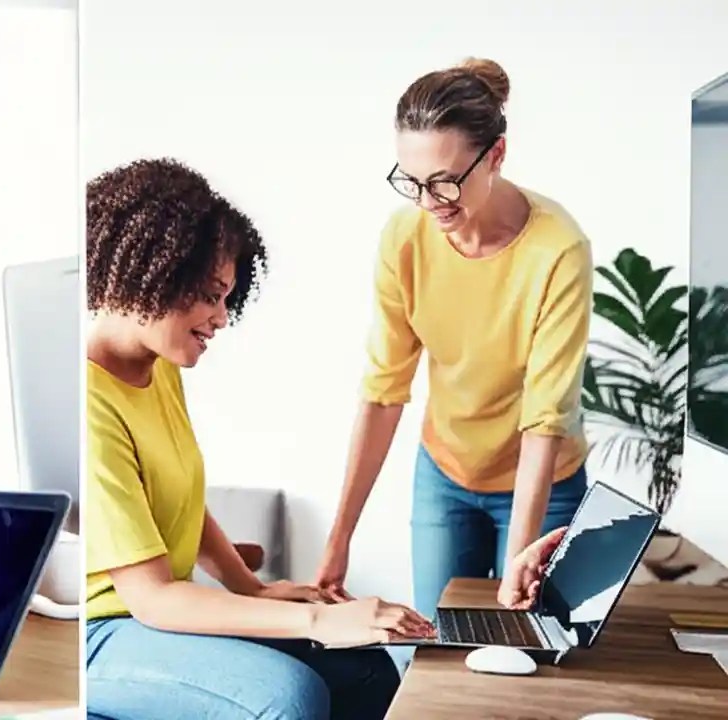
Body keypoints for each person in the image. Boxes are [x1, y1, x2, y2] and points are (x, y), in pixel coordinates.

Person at [84, 158, 431, 720]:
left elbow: (180, 505)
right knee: (288, 696)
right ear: (151, 274)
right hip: (103, 631)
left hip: (151, 619)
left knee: (365, 666)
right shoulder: (91, 404)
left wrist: (251, 587)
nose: (222, 317)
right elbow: (152, 599)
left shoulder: (158, 366)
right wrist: (319, 619)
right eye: (209, 295)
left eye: (228, 297)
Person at [314, 57, 594, 620]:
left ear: (496, 155)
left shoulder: (558, 250)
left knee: (528, 643)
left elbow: (545, 420)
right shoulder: (405, 237)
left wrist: (518, 561)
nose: (428, 201)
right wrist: (339, 538)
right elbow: (382, 391)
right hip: (445, 473)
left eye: (444, 181)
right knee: (436, 646)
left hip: (543, 479)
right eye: (412, 182)